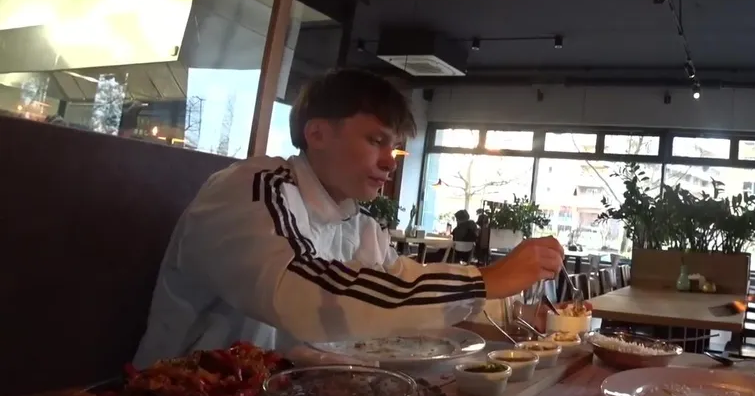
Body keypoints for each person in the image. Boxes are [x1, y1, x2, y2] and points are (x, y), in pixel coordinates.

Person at [134, 69, 563, 366]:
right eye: (376, 140)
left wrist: (508, 308)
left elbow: (397, 283)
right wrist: (482, 281)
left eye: (394, 147)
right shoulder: (253, 188)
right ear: (317, 133)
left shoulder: (359, 226)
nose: (390, 162)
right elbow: (304, 290)